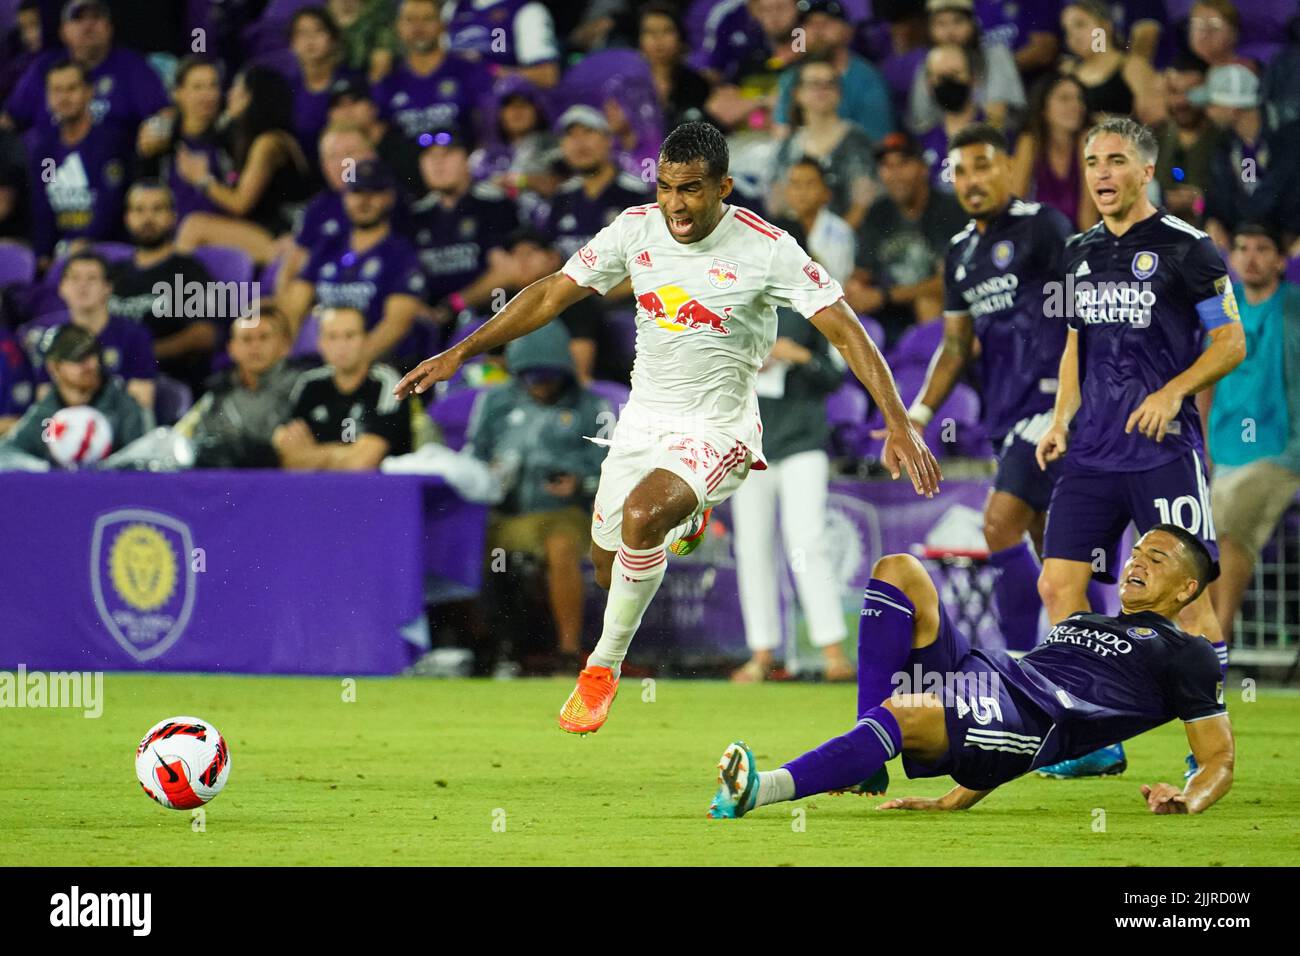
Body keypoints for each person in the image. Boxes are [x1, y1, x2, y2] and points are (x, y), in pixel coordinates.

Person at [394, 121, 942, 735]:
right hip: (642, 424)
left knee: (642, 517)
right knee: (607, 564)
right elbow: (551, 295)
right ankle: (685, 519)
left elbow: (845, 328)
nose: (675, 204)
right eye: (665, 187)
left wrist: (899, 420)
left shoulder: (768, 248)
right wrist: (460, 352)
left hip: (719, 428)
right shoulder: (636, 229)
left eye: (690, 189)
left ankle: (600, 668)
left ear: (723, 187)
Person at [706, 527, 1235, 818]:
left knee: (905, 712)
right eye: (1137, 553)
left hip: (1028, 716)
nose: (1137, 563)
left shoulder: (1188, 653)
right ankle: (865, 755)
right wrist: (953, 800)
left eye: (1157, 559)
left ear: (1187, 589)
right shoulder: (1086, 620)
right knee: (899, 570)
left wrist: (1189, 798)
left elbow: (1219, 760)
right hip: (989, 674)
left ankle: (762, 789)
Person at [1034, 117, 1246, 777]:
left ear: (1146, 171)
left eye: (1117, 160)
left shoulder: (1189, 248)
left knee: (1192, 602)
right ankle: (1094, 740)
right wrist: (1060, 419)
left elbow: (1231, 342)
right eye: (1093, 161)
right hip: (1092, 453)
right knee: (1058, 584)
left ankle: (1208, 752)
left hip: (1162, 452)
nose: (1101, 172)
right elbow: (1075, 345)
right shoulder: (1076, 252)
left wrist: (1173, 392)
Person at [909, 124, 1075, 653]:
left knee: (999, 525)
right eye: (960, 171)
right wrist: (917, 415)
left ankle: (1017, 662)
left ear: (1007, 168)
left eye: (983, 166)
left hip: (1051, 406)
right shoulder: (960, 253)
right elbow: (955, 346)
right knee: (1056, 553)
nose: (972, 180)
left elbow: (1083, 312)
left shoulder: (1043, 226)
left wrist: (1073, 400)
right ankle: (1080, 668)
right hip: (1005, 413)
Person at [465, 322, 611, 671]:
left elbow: (614, 470)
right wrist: (490, 474)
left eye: (549, 377)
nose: (541, 386)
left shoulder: (592, 406)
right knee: (463, 541)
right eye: (532, 377)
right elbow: (471, 459)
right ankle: (480, 648)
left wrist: (580, 483)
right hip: (504, 513)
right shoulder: (494, 402)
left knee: (561, 546)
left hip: (563, 513)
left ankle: (568, 650)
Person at [730, 304, 853, 682]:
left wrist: (798, 355)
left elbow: (836, 374)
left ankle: (832, 651)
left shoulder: (811, 306)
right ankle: (761, 653)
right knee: (752, 549)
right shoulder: (736, 305)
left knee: (808, 543)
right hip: (751, 445)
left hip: (803, 444)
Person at [1206, 224, 1300, 645]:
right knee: (1199, 539)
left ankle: (1218, 640)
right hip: (1224, 451)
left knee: (1229, 528)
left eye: (1263, 249)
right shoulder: (1222, 309)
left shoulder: (1293, 306)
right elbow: (1204, 379)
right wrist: (1204, 446)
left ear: (1281, 261)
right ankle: (1203, 642)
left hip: (1281, 451)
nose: (1250, 257)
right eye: (1242, 248)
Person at [279, 159, 429, 368]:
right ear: (345, 197)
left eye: (374, 192)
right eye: (357, 192)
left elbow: (396, 324)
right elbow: (294, 306)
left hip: (379, 364)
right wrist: (286, 356)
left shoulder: (400, 254)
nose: (364, 201)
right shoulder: (329, 246)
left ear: (388, 198)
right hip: (324, 359)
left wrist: (348, 365)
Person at [173, 66, 314, 265]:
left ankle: (170, 283)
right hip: (261, 228)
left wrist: (202, 180)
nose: (229, 94)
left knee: (194, 227)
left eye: (238, 90)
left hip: (286, 235)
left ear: (254, 98)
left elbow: (240, 204)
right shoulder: (244, 137)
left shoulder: (269, 142)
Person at [845, 131, 967, 346]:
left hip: (937, 314)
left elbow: (951, 282)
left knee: (927, 303)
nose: (895, 174)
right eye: (887, 166)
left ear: (923, 168)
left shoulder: (951, 210)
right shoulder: (877, 213)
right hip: (888, 314)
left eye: (903, 164)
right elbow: (863, 272)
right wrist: (855, 287)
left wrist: (887, 295)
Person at [107, 180, 219, 397]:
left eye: (157, 209)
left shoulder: (189, 270)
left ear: (173, 217)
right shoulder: (113, 273)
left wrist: (147, 352)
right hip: (111, 379)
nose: (148, 218)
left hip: (166, 382)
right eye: (139, 210)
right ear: (127, 218)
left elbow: (206, 334)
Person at [274, 307, 414, 470]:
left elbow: (363, 462)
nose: (341, 345)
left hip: (378, 485)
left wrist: (312, 454)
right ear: (320, 343)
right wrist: (347, 453)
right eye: (332, 337)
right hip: (318, 486)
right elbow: (287, 460)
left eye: (350, 335)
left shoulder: (387, 382)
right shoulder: (309, 383)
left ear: (366, 340)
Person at [2, 0, 167, 137]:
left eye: (96, 17)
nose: (88, 25)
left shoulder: (131, 66)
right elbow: (10, 117)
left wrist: (156, 131)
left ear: (109, 28)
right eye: (78, 18)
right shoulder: (44, 66)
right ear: (63, 31)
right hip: (47, 162)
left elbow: (164, 113)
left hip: (114, 161)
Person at [23, 59, 132, 261]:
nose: (63, 98)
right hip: (61, 256)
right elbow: (43, 206)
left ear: (89, 92)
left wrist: (83, 244)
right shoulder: (45, 150)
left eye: (71, 89)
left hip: (105, 253)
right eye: (56, 90)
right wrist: (44, 253)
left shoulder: (109, 143)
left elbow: (109, 207)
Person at [21, 251, 156, 413]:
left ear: (107, 287)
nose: (82, 285)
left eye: (91, 278)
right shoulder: (52, 338)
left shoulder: (134, 335)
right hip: (68, 425)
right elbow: (44, 403)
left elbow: (141, 402)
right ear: (62, 287)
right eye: (74, 278)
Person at [404, 128, 519, 310]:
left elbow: (507, 272)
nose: (437, 163)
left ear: (466, 159)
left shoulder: (492, 204)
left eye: (447, 154)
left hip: (490, 311)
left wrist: (456, 303)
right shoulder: (417, 215)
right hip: (432, 318)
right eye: (429, 156)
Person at [176, 307, 301, 469]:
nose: (255, 346)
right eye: (246, 339)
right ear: (231, 349)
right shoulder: (218, 391)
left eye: (264, 337)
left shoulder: (304, 386)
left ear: (285, 345)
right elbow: (185, 436)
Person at [2, 323, 145, 463]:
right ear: (54, 367)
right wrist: (44, 470)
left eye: (91, 354)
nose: (89, 364)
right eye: (77, 358)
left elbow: (139, 461)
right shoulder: (45, 412)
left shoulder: (122, 406)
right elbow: (7, 453)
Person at [770, 57, 878, 230]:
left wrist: (833, 240)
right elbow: (777, 205)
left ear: (839, 92)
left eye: (829, 83)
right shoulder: (788, 145)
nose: (822, 90)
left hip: (847, 237)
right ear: (797, 93)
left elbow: (863, 203)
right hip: (795, 238)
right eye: (814, 84)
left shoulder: (856, 140)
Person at [1200, 65, 1300, 248]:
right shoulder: (1228, 147)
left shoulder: (1292, 142)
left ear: (1233, 110)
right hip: (1243, 249)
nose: (1207, 112)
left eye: (1212, 105)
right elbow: (1245, 189)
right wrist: (1212, 220)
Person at [276, 121, 379, 293]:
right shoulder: (318, 209)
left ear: (371, 155)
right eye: (332, 156)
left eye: (349, 154)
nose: (342, 164)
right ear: (324, 166)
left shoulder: (392, 202)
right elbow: (292, 267)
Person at [773, 0, 895, 144]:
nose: (818, 30)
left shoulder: (867, 79)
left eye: (827, 22)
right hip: (803, 154)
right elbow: (782, 133)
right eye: (810, 23)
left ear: (847, 31)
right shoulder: (792, 76)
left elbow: (877, 142)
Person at [541, 105, 650, 260]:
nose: (579, 143)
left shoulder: (637, 195)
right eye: (570, 135)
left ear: (608, 140)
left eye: (588, 131)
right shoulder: (561, 198)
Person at [135, 55, 233, 224]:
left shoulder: (229, 138)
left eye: (213, 86)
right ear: (177, 93)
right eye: (198, 87)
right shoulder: (161, 138)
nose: (208, 95)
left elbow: (236, 190)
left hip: (218, 233)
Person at [907, 0, 1025, 135]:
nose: (950, 32)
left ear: (972, 23)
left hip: (994, 138)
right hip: (943, 143)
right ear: (930, 29)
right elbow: (922, 121)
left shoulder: (995, 56)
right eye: (940, 24)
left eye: (958, 21)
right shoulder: (927, 64)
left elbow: (998, 116)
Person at [1011, 72, 1097, 231]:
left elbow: (1088, 215)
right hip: (1038, 237)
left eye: (1079, 99)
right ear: (1043, 108)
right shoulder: (1030, 142)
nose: (1076, 105)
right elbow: (1016, 203)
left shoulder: (1087, 141)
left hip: (1078, 237)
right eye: (1064, 99)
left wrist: (1087, 245)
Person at [1058, 1, 1164, 125]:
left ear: (1105, 26)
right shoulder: (1068, 73)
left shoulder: (1133, 67)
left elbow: (1155, 120)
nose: (1074, 35)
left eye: (1080, 24)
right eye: (1067, 30)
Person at [1152, 55, 1221, 227]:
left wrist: (1199, 204)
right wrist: (1164, 199)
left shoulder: (1224, 141)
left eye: (1192, 92)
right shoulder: (1150, 140)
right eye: (1174, 91)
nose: (1181, 101)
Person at [443, 0, 561, 89]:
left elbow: (547, 75)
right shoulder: (453, 8)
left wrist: (490, 72)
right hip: (453, 96)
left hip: (498, 99)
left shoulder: (527, 10)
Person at [774, 158, 855, 285]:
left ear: (826, 192)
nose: (802, 191)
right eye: (795, 184)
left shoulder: (841, 231)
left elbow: (839, 282)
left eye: (810, 184)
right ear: (786, 191)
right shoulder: (775, 228)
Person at [637, 2, 713, 133]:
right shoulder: (630, 86)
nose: (658, 39)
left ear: (680, 39)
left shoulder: (696, 84)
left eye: (667, 31)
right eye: (649, 32)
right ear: (639, 41)